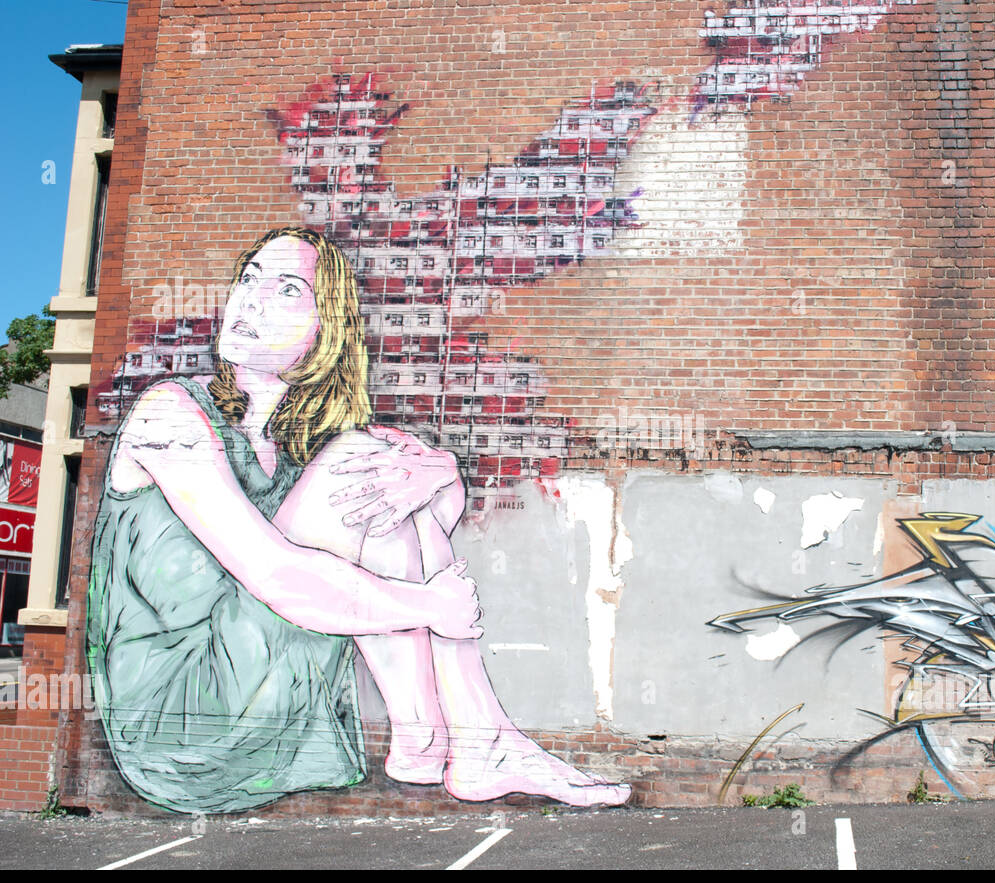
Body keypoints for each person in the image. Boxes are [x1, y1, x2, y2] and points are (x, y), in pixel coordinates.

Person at [87, 226, 630, 812]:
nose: (251, 298)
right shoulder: (169, 414)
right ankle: (475, 738)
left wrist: (439, 471)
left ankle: (440, 738)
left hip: (274, 709)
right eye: (249, 278)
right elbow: (278, 577)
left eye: (287, 289)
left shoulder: (315, 447)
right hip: (183, 722)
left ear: (327, 330)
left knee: (382, 471)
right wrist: (433, 608)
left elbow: (434, 519)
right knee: (366, 465)